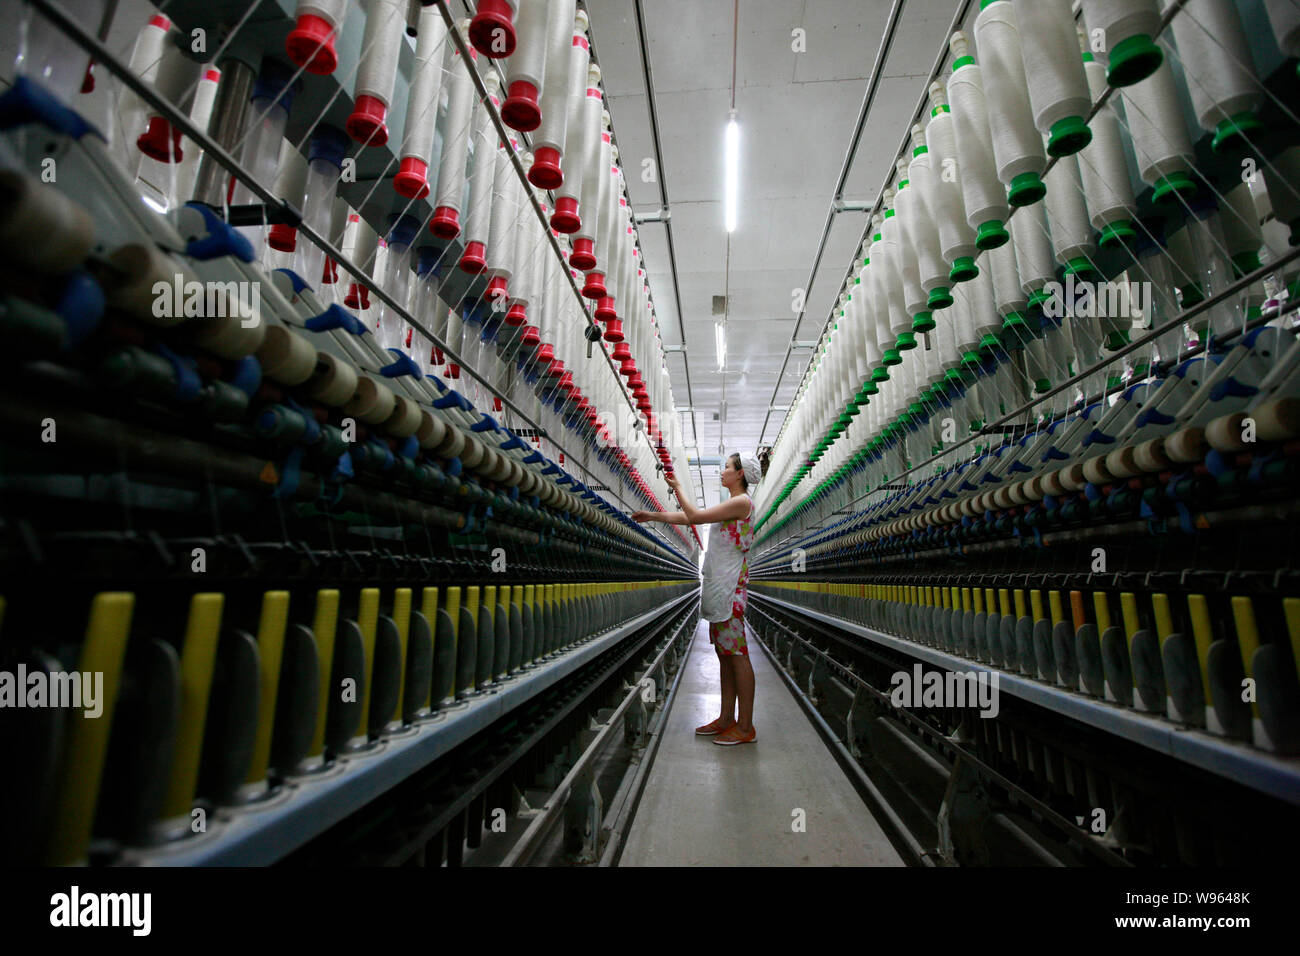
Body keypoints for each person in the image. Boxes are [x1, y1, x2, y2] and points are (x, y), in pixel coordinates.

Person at [631, 452, 762, 745]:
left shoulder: (742, 503)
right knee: (725, 656)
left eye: (727, 467)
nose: (723, 471)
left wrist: (677, 487)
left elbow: (696, 516)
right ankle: (727, 718)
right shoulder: (733, 504)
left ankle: (745, 727)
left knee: (738, 656)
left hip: (731, 592)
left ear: (740, 474)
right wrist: (653, 516)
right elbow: (690, 518)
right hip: (721, 590)